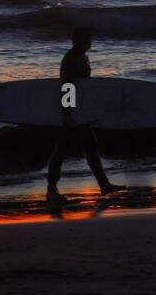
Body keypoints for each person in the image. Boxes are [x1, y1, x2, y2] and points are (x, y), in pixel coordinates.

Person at [47, 27, 122, 197]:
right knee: (61, 149)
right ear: (80, 41)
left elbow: (84, 87)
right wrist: (67, 114)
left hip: (80, 111)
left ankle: (103, 184)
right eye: (88, 39)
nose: (90, 42)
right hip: (72, 112)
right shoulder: (71, 59)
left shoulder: (82, 57)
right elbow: (67, 86)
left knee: (89, 147)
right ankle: (51, 189)